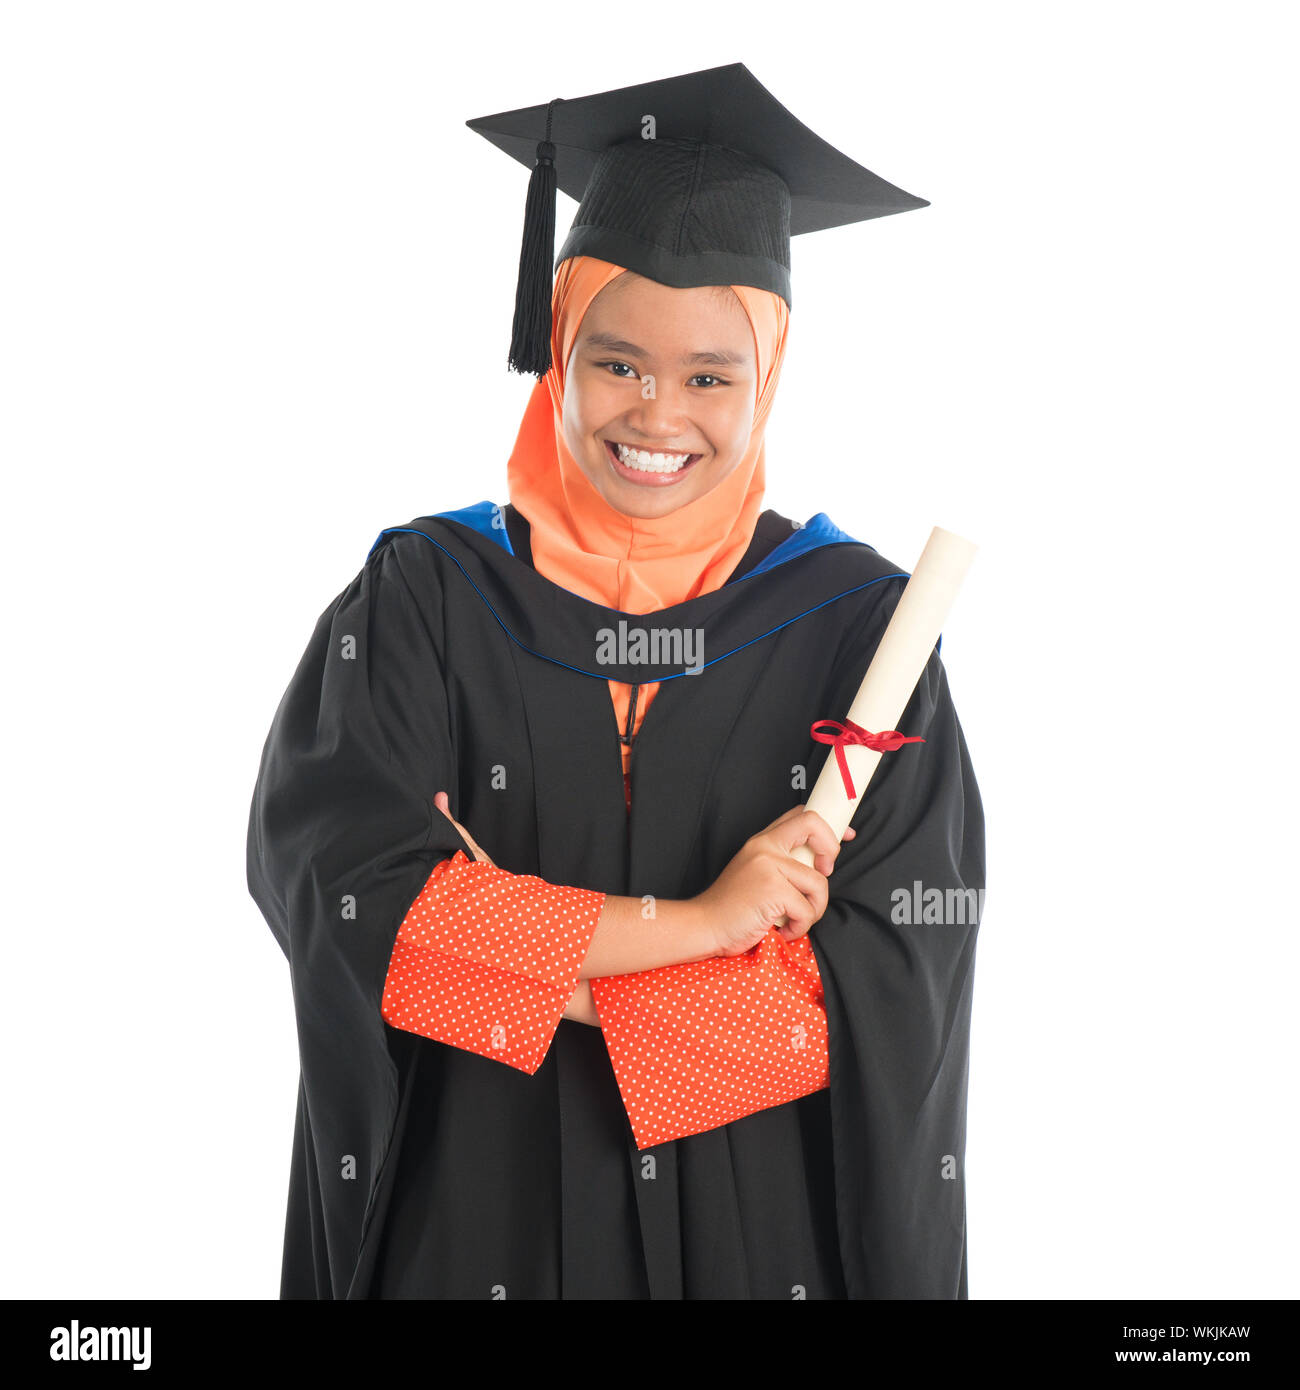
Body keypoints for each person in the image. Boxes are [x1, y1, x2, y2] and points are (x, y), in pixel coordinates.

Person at [247, 63, 985, 1300]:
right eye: (615, 361)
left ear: (769, 379)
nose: (657, 413)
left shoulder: (860, 627)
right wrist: (702, 929)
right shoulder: (425, 597)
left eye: (711, 375)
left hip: (758, 1246)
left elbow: (870, 991)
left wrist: (525, 966)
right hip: (473, 1227)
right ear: (556, 348)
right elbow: (353, 906)